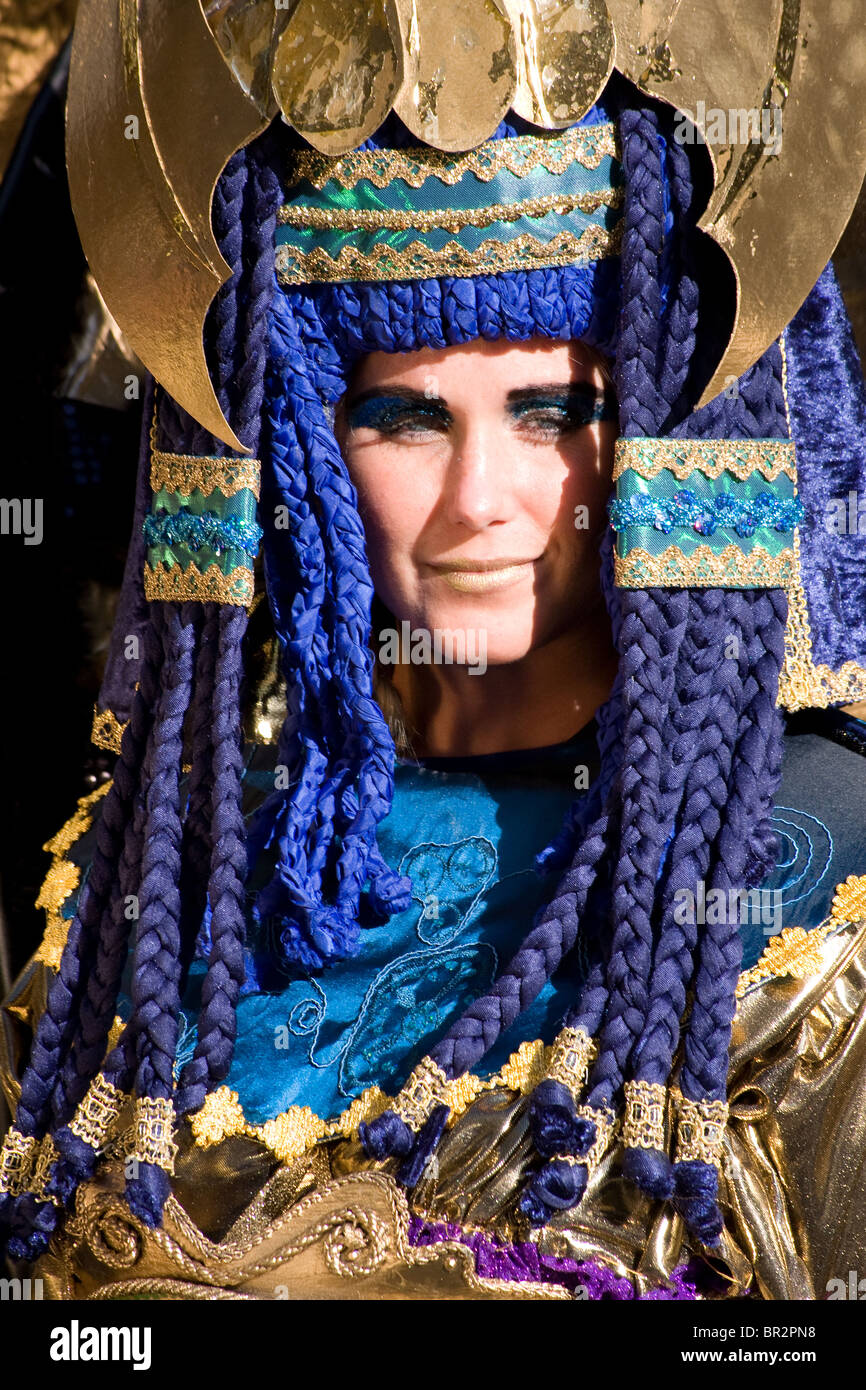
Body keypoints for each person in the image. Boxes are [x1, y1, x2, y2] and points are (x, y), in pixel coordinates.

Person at [3, 15, 866, 1301]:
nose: (480, 500)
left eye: (554, 412)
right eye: (403, 414)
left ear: (670, 435)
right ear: (290, 441)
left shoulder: (811, 887)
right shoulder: (161, 866)